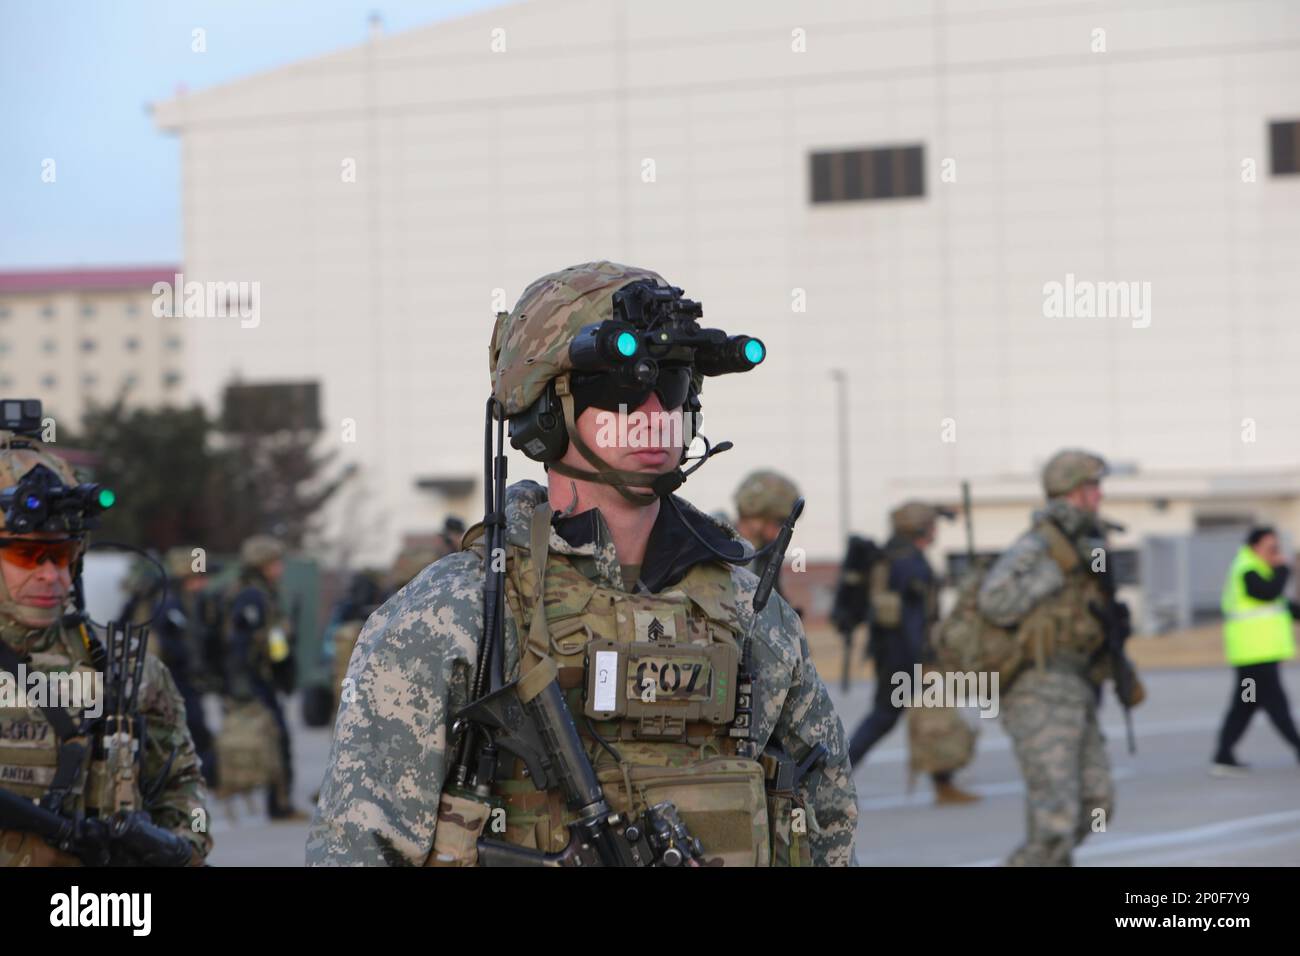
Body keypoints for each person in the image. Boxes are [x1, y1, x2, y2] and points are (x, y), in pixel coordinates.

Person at [308, 260, 857, 866]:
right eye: (617, 389)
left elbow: (827, 823)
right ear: (545, 413)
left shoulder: (754, 614)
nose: (652, 411)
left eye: (672, 384)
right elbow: (358, 848)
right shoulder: (453, 618)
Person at [0, 413, 210, 865]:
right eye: (26, 555)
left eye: (62, 555)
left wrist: (179, 846)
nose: (50, 575)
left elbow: (183, 786)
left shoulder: (131, 672)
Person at [977, 448, 1145, 866]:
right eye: (1093, 486)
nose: (1100, 495)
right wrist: (1053, 573)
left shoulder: (1089, 544)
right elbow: (994, 599)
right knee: (1055, 822)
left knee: (1096, 805)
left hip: (1078, 688)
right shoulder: (1040, 545)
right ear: (1070, 490)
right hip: (1038, 689)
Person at [845, 501, 979, 804]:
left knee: (936, 717)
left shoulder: (894, 556)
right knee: (884, 718)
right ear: (920, 528)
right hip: (904, 656)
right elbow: (913, 618)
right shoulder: (910, 563)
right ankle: (833, 775)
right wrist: (923, 660)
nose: (935, 531)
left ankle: (943, 783)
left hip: (895, 653)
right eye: (931, 525)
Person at [225, 534, 305, 821]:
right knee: (277, 741)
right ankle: (279, 805)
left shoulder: (262, 593)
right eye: (274, 563)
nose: (279, 568)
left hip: (263, 679)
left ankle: (279, 802)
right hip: (256, 682)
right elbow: (245, 643)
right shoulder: (251, 596)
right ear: (261, 564)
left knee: (276, 741)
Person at [1211, 526, 1300, 775]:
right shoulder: (1247, 569)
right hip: (1254, 655)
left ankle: (1222, 755)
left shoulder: (1262, 570)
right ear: (1255, 547)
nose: (1275, 553)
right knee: (1276, 704)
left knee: (1246, 704)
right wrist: (1284, 569)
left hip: (1258, 654)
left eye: (1277, 548)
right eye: (1271, 548)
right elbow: (1267, 592)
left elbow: (1283, 607)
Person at [152, 546, 218, 787]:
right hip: (174, 679)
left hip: (188, 678)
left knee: (197, 728)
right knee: (189, 728)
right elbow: (168, 644)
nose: (201, 584)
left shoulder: (194, 604)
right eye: (196, 578)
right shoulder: (169, 603)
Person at [733, 470, 800, 600]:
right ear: (757, 519)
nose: (778, 534)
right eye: (778, 523)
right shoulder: (720, 552)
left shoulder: (763, 555)